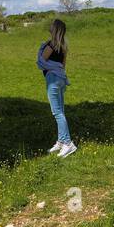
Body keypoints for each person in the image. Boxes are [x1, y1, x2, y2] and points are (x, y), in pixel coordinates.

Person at [37, 18, 76, 158]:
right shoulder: (63, 46)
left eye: (51, 27)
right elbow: (63, 66)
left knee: (57, 112)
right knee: (61, 111)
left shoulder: (49, 45)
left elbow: (41, 62)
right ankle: (60, 141)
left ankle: (68, 143)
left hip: (53, 80)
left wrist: (41, 50)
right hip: (60, 79)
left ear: (54, 29)